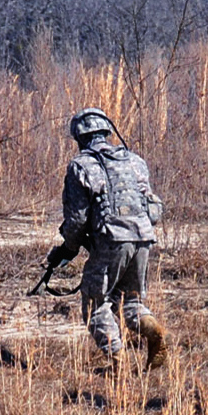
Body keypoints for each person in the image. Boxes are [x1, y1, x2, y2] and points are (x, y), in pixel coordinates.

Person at [40, 108, 167, 369]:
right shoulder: (134, 161)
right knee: (130, 302)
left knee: (95, 306)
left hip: (112, 241)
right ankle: (153, 330)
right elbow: (153, 209)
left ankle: (118, 362)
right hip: (143, 238)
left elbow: (76, 220)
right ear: (106, 132)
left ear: (80, 137)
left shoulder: (80, 166)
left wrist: (67, 249)